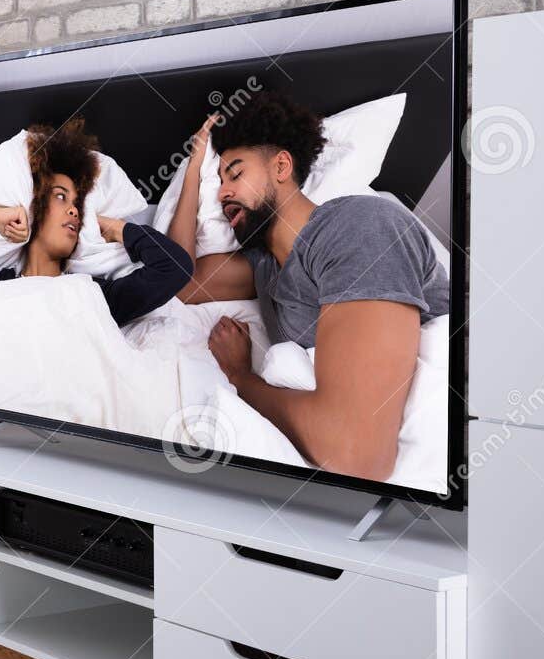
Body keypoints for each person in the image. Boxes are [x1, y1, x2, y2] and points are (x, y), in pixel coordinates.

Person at [168, 92, 449, 482]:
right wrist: (192, 173)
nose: (222, 193)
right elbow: (177, 281)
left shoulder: (359, 227)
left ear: (281, 166)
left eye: (235, 174)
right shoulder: (264, 268)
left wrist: (240, 377)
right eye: (217, 182)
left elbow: (354, 455)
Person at [0, 117, 192, 327]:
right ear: (34, 208)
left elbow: (174, 268)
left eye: (79, 205)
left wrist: (115, 228)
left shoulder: (95, 295)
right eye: (60, 196)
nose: (75, 211)